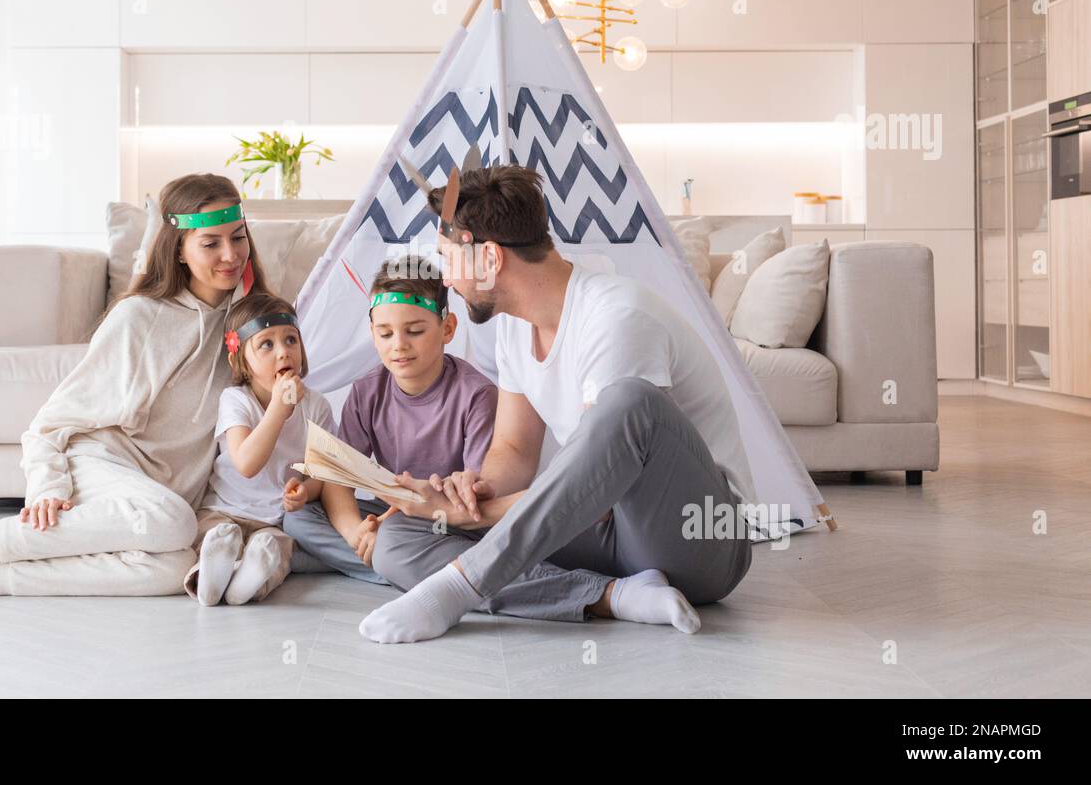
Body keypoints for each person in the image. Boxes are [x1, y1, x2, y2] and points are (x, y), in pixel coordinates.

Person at [359, 165, 754, 643]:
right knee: (399, 537)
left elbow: (601, 497)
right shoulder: (512, 323)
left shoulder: (616, 317)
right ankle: (607, 597)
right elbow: (514, 450)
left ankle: (458, 588)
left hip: (696, 541)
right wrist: (473, 491)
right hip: (603, 540)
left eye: (449, 258)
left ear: (489, 258)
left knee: (629, 400)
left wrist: (477, 517)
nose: (445, 278)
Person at [0, 174, 269, 602]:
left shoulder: (251, 327)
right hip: (101, 465)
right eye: (210, 243)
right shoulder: (139, 317)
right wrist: (48, 487)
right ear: (178, 249)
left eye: (239, 237)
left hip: (156, 501)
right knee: (175, 525)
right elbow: (51, 422)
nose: (230, 255)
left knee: (173, 569)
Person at [282, 257, 496, 584]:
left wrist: (392, 523)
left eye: (414, 331)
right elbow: (340, 478)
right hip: (390, 517)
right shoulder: (367, 390)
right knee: (297, 518)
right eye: (385, 333)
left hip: (449, 518)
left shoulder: (476, 394)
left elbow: (475, 496)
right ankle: (387, 562)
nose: (398, 346)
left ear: (447, 328)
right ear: (372, 333)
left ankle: (382, 560)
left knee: (397, 537)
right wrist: (355, 531)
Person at [185, 293, 334, 605]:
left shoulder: (317, 406)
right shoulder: (236, 400)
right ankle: (209, 578)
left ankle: (248, 586)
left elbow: (323, 473)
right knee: (215, 538)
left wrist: (306, 492)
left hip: (274, 520)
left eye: (291, 340)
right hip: (225, 509)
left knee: (275, 552)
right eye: (266, 344)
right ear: (240, 359)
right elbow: (247, 464)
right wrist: (278, 410)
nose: (283, 352)